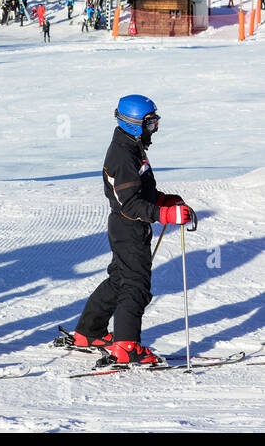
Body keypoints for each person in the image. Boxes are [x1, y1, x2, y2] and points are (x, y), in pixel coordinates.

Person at [65, 96, 195, 364]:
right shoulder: (123, 155)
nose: (155, 127)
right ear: (135, 124)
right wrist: (164, 214)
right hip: (129, 227)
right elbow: (130, 204)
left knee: (119, 280)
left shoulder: (132, 146)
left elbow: (139, 192)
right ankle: (126, 347)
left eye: (155, 121)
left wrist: (162, 200)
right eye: (151, 123)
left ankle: (88, 332)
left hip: (128, 225)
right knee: (135, 286)